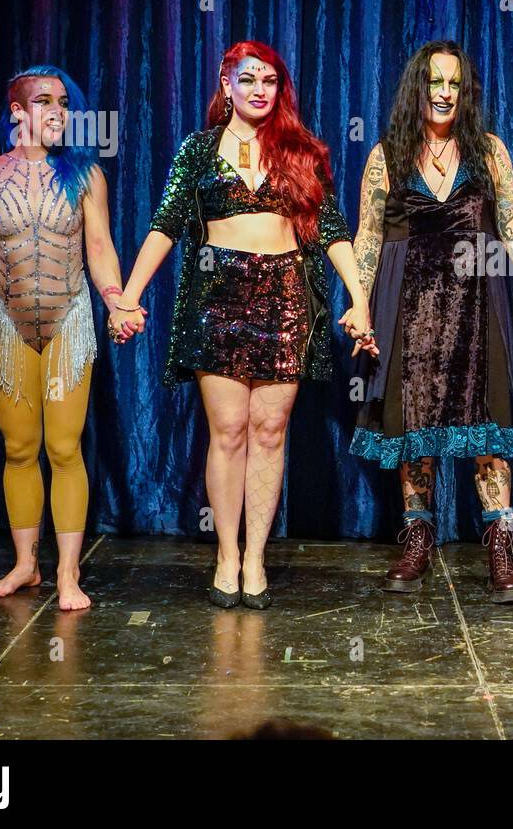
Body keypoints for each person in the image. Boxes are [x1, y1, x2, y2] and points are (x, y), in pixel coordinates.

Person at [116, 41, 376, 610]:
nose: (260, 89)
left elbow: (333, 231)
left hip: (286, 299)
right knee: (229, 431)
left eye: (271, 80)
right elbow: (164, 226)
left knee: (269, 432)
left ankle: (256, 557)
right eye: (248, 78)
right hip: (218, 297)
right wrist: (128, 299)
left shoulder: (300, 151)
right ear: (225, 82)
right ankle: (226, 555)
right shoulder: (198, 150)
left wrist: (358, 300)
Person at [350, 41, 513, 603]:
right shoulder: (387, 155)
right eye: (434, 83)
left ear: (465, 92)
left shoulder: (488, 151)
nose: (443, 93)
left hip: (476, 308)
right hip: (406, 307)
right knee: (415, 426)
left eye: (454, 84)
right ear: (418, 89)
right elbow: (367, 237)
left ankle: (500, 544)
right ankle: (417, 537)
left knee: (487, 422)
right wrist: (359, 304)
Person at [0, 65, 132, 611]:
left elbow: (99, 248)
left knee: (63, 447)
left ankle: (69, 573)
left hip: (68, 321)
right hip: (7, 324)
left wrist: (116, 301)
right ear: (17, 112)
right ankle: (27, 564)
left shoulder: (84, 176)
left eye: (64, 103)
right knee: (20, 448)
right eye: (45, 101)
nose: (58, 112)